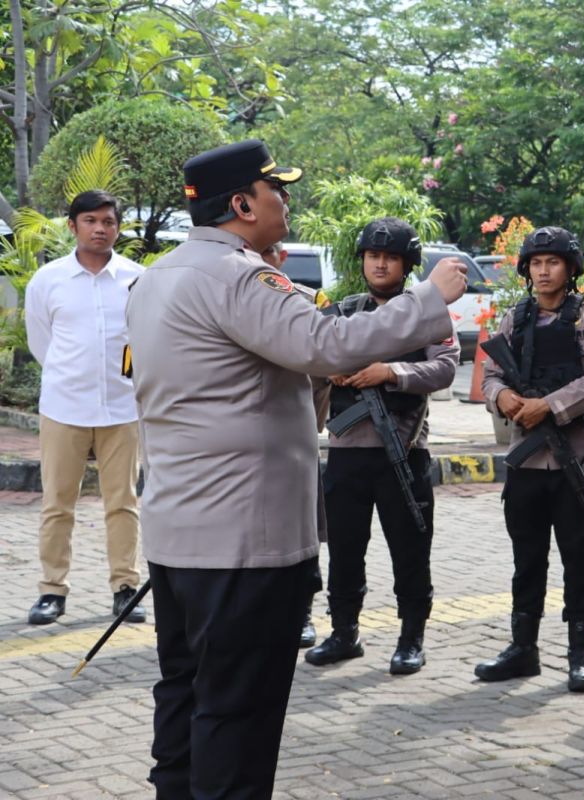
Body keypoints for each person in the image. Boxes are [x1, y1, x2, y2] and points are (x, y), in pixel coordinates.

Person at [125, 139, 467, 798]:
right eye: (277, 190)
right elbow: (324, 343)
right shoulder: (237, 277)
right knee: (238, 716)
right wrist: (429, 296)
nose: (286, 201)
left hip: (178, 537)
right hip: (243, 547)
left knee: (184, 697)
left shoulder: (156, 277)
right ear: (243, 203)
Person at [305, 218, 459, 675]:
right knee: (345, 549)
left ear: (406, 265)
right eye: (373, 256)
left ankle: (411, 637)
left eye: (390, 257)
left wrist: (391, 374)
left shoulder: (427, 314)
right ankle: (343, 632)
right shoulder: (341, 313)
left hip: (403, 452)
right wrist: (327, 369)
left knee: (410, 549)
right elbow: (308, 359)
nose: (379, 263)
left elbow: (447, 368)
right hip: (348, 451)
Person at [475, 226, 584, 693]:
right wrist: (506, 400)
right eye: (535, 263)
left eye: (552, 263)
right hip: (526, 464)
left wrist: (549, 406)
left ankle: (580, 653)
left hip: (574, 462)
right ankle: (523, 649)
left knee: (578, 558)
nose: (543, 271)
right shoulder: (515, 319)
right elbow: (490, 374)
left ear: (570, 269)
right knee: (526, 558)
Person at [24, 190, 146, 626]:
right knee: (57, 503)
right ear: (72, 225)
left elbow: (145, 341)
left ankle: (125, 587)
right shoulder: (48, 281)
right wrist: (72, 376)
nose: (100, 229)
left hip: (123, 408)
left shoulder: (137, 278)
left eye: (109, 222)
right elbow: (43, 344)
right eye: (90, 220)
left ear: (118, 227)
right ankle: (52, 591)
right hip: (64, 407)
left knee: (124, 503)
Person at [260, 241, 330, 649]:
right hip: (250, 450)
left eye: (270, 253)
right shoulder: (232, 302)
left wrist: (311, 426)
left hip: (294, 447)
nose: (264, 260)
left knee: (304, 537)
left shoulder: (307, 303)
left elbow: (321, 378)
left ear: (281, 259)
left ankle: (302, 613)